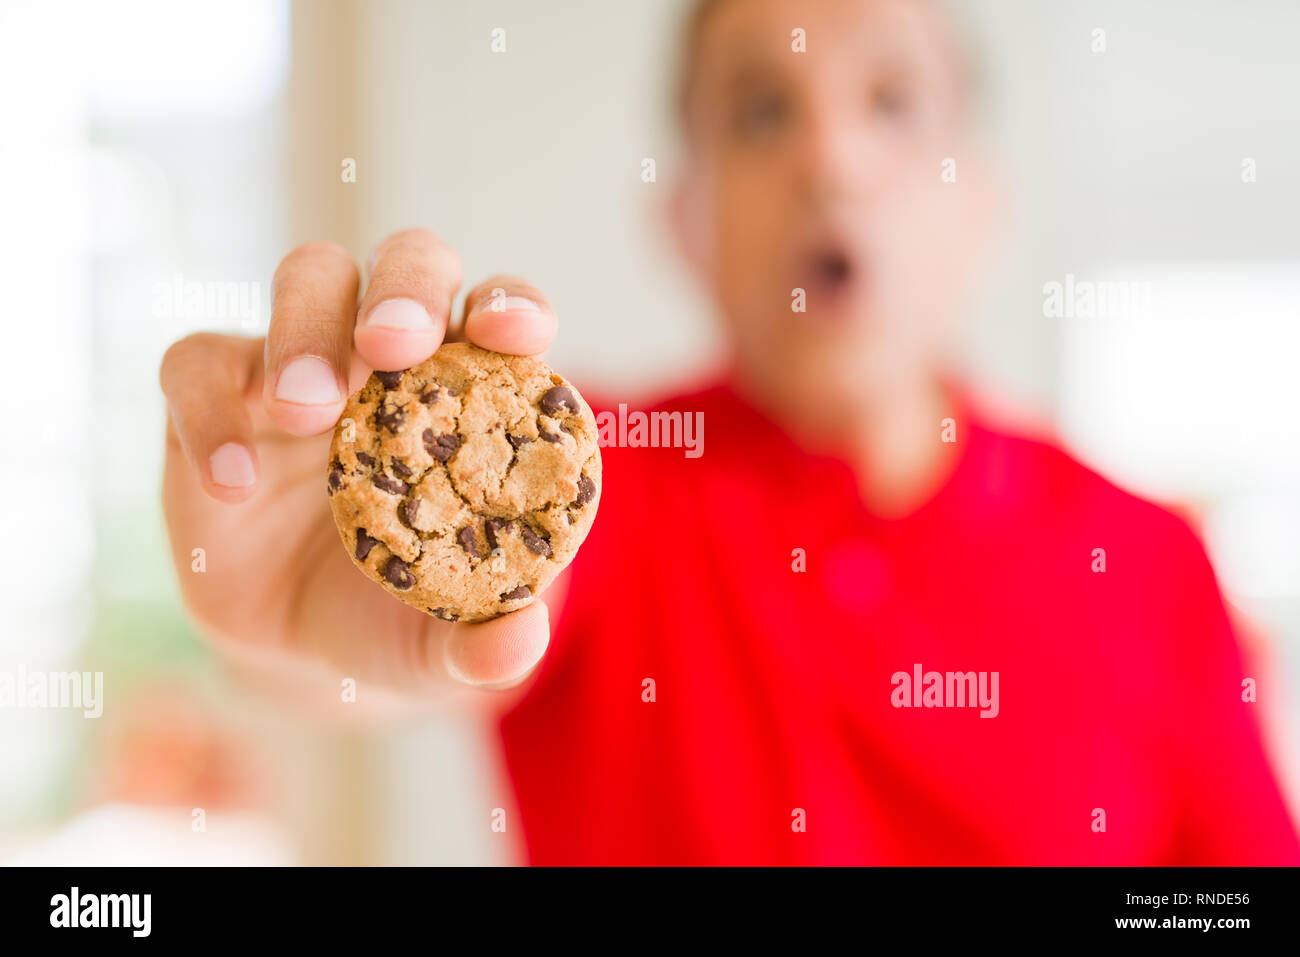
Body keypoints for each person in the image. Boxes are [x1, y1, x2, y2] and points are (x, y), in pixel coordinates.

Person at [158, 0, 1300, 864]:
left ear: (981, 203)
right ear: (685, 219)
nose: (831, 160)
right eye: (763, 112)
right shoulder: (601, 479)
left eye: (892, 104)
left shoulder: (1148, 562)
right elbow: (401, 654)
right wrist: (286, 634)